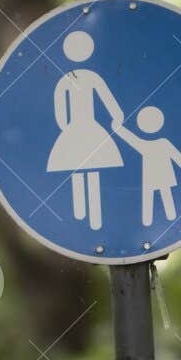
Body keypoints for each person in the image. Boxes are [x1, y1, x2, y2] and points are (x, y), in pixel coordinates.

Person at [46, 30, 124, 230]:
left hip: (78, 128)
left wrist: (66, 128)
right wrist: (117, 116)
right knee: (87, 169)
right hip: (86, 128)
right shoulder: (87, 77)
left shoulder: (69, 79)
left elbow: (60, 112)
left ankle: (87, 216)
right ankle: (88, 218)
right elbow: (107, 100)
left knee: (83, 168)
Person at [112, 106, 181, 226]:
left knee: (156, 196)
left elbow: (177, 156)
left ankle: (152, 220)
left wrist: (117, 127)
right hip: (159, 176)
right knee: (158, 195)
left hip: (155, 176)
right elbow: (177, 157)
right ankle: (153, 220)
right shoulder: (160, 143)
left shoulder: (147, 145)